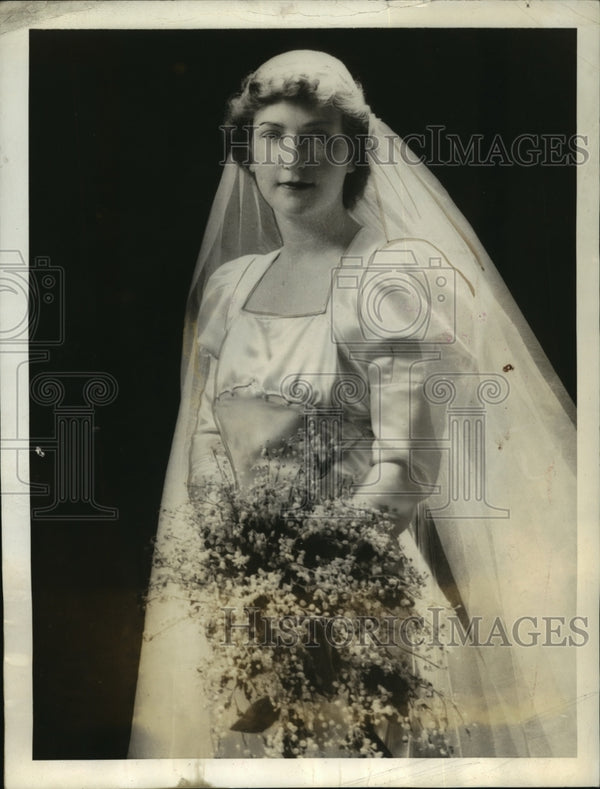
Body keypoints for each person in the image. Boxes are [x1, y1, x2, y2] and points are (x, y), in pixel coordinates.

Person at [128, 50, 577, 759]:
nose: (293, 158)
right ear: (246, 150)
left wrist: (314, 592)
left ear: (352, 153)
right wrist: (243, 583)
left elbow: (406, 466)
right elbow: (208, 447)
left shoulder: (390, 279)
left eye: (319, 139)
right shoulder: (229, 287)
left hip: (363, 598)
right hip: (243, 604)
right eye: (273, 135)